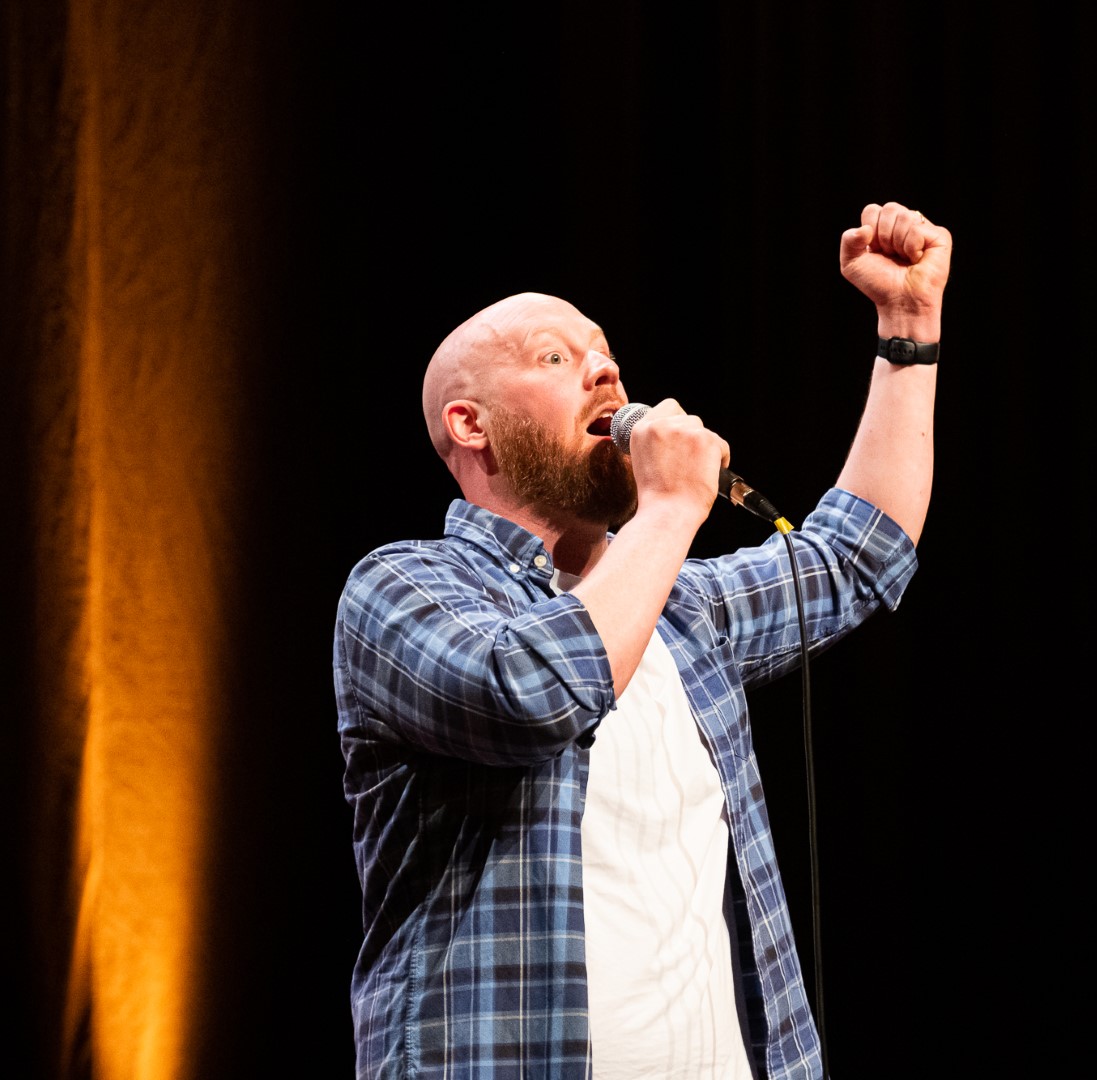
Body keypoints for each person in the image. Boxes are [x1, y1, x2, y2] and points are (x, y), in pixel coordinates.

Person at [331, 200, 948, 1079]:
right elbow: (532, 693)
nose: (607, 375)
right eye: (557, 358)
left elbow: (860, 554)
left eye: (606, 356)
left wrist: (908, 329)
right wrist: (668, 509)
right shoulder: (401, 588)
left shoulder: (680, 607)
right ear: (471, 426)